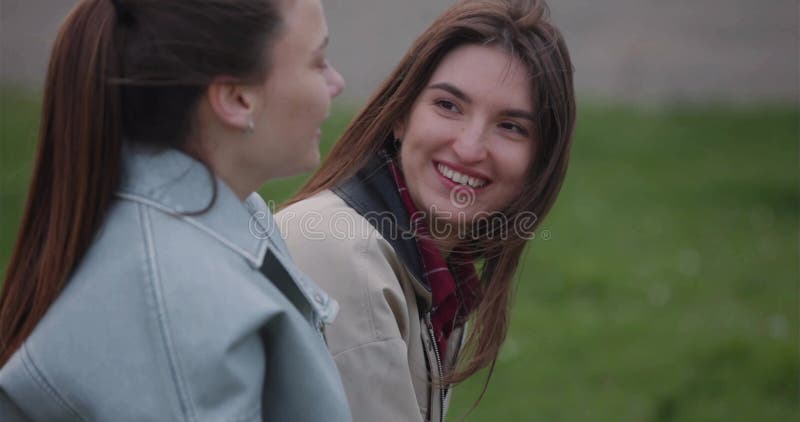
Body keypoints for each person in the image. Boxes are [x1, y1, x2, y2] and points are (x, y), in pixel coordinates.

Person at [0, 0, 352, 420]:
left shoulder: (235, 212)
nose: (337, 82)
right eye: (318, 62)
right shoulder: (176, 299)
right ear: (237, 98)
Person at [276, 0, 576, 420]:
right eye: (448, 106)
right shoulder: (344, 258)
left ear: (538, 164)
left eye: (511, 126)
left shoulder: (430, 276)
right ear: (401, 116)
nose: (470, 148)